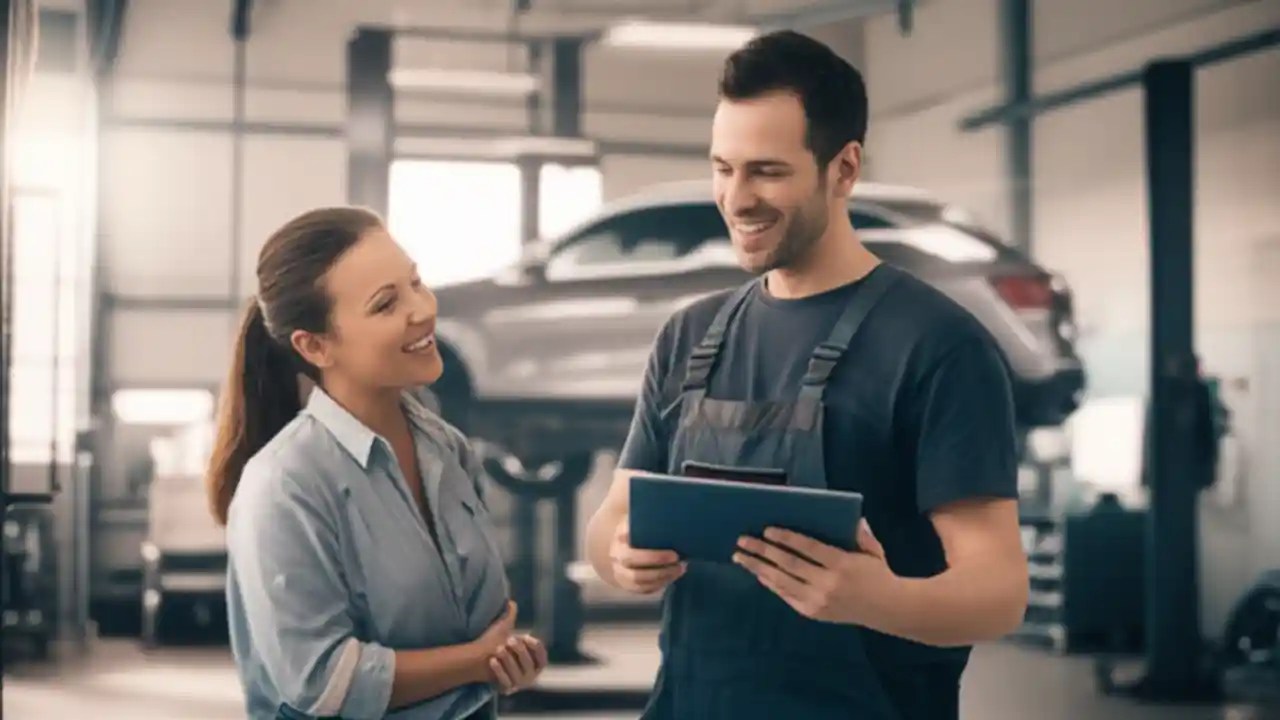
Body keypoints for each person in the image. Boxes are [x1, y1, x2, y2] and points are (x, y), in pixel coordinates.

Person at [584, 30, 1029, 720]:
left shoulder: (938, 346)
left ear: (843, 169)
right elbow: (611, 520)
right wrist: (621, 559)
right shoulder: (689, 337)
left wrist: (875, 599)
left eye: (767, 171)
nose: (736, 198)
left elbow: (999, 591)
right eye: (722, 168)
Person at [205, 207, 547, 719]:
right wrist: (474, 662)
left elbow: (478, 629)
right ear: (315, 345)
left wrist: (504, 661)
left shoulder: (446, 449)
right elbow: (321, 682)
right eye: (387, 304)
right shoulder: (283, 485)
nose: (423, 310)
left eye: (416, 282)